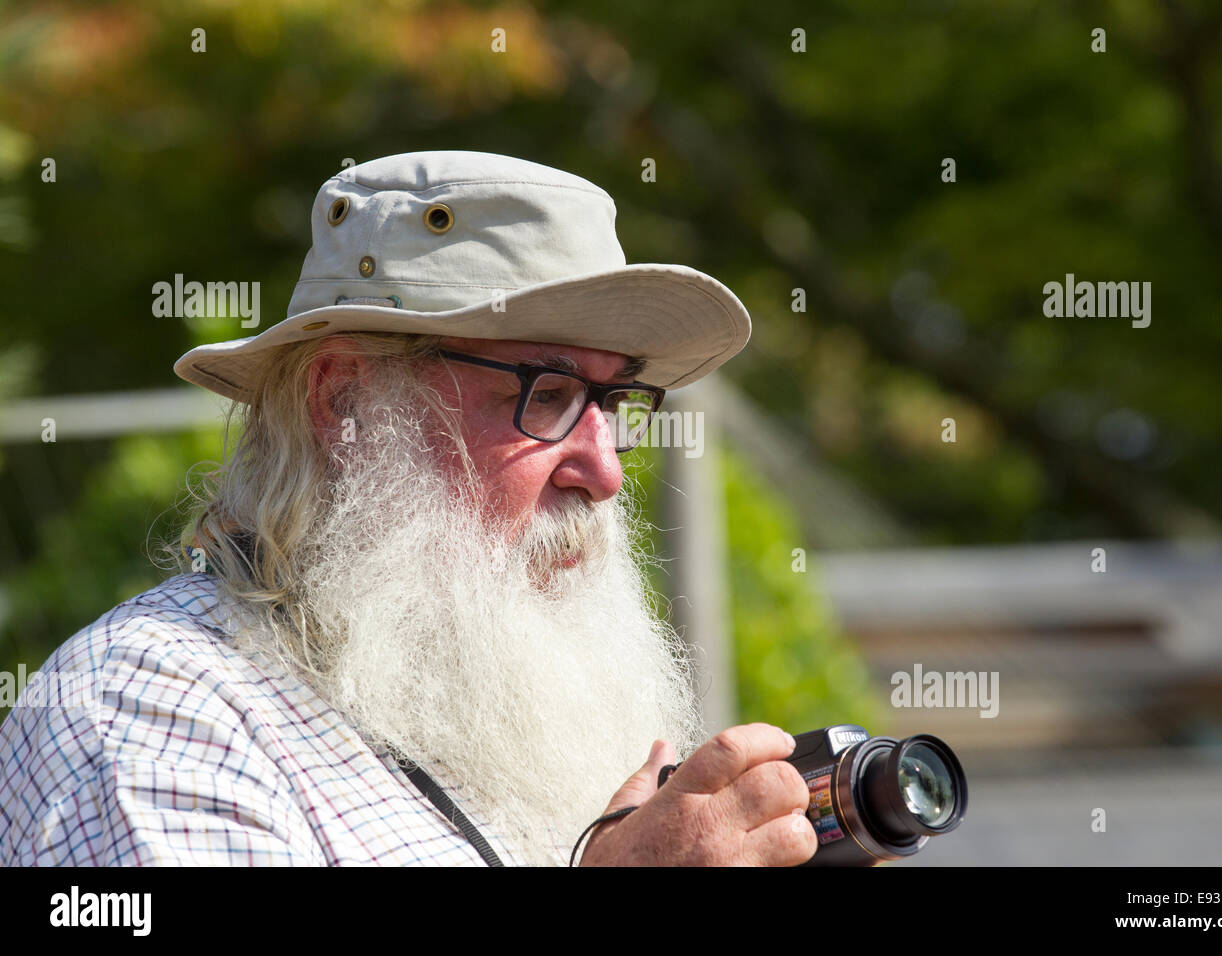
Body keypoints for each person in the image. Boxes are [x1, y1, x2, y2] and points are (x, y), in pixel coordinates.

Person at [0, 151, 818, 867]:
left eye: (615, 401)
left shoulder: (485, 697)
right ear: (345, 400)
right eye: (548, 393)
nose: (603, 472)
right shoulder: (153, 714)